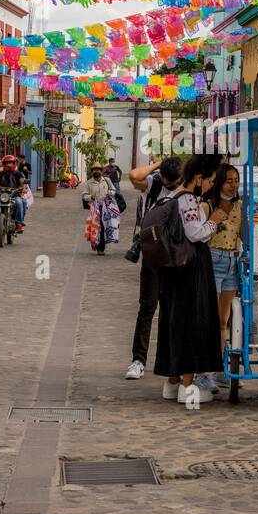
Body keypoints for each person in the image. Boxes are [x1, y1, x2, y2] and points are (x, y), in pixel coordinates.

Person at [155, 154, 226, 404]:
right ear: (199, 178)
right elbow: (195, 233)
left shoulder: (170, 196)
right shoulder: (188, 200)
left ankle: (172, 382)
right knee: (191, 323)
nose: (209, 186)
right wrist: (214, 222)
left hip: (175, 270)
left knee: (175, 321)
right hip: (191, 269)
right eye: (210, 181)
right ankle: (188, 386)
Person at [124, 156, 184, 380]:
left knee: (174, 310)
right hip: (154, 254)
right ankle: (138, 360)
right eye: (169, 181)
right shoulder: (156, 184)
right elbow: (134, 176)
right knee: (147, 307)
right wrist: (158, 165)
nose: (172, 185)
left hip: (178, 256)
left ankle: (172, 362)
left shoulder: (185, 189)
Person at [202, 163, 242, 389]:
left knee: (222, 321)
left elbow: (243, 234)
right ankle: (204, 372)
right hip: (213, 259)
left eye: (236, 180)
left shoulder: (240, 205)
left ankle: (219, 368)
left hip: (232, 262)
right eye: (229, 180)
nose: (233, 184)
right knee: (208, 319)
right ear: (220, 183)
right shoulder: (208, 205)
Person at [84, 164, 120, 249]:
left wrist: (110, 193)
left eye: (98, 170)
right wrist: (90, 197)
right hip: (95, 209)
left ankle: (101, 247)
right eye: (94, 170)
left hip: (106, 208)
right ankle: (95, 244)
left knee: (103, 227)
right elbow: (84, 196)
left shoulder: (107, 180)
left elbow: (113, 190)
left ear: (101, 171)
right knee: (96, 227)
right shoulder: (88, 183)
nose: (97, 171)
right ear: (92, 172)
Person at [0, 155, 27, 232]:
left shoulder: (19, 173)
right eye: (7, 163)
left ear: (14, 164)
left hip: (15, 195)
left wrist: (23, 189)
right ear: (4, 164)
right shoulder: (0, 174)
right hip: (2, 195)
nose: (9, 165)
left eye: (10, 163)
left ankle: (19, 223)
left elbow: (23, 183)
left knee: (19, 202)